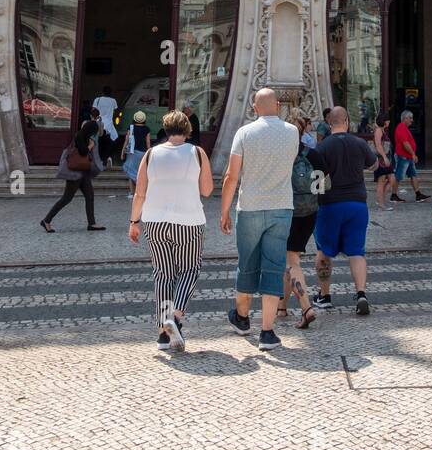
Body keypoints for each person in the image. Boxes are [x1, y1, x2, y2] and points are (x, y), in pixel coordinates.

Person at [220, 88, 300, 352]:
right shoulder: (292, 132)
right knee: (275, 267)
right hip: (281, 207)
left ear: (254, 108)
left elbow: (232, 176)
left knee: (247, 264)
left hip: (251, 207)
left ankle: (242, 319)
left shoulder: (244, 133)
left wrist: (224, 211)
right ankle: (267, 332)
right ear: (278, 105)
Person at [128, 110, 213, 352]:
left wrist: (134, 222)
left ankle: (163, 335)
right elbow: (207, 190)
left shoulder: (151, 154)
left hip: (155, 221)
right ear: (188, 130)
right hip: (189, 221)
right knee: (189, 270)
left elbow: (140, 193)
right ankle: (174, 317)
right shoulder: (197, 153)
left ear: (165, 130)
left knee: (163, 274)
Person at [310, 106, 376, 315]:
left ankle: (325, 295)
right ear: (347, 121)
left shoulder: (321, 148)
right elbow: (374, 166)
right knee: (357, 251)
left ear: (330, 123)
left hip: (330, 205)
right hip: (357, 204)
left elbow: (316, 184)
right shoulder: (359, 143)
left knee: (324, 252)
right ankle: (361, 294)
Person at [277, 114, 320, 330]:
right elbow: (321, 186)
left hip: (288, 210)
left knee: (292, 260)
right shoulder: (313, 154)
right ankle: (282, 307)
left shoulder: (281, 154)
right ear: (304, 130)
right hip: (310, 212)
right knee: (291, 256)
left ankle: (306, 307)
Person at [41, 120, 105, 232]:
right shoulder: (79, 136)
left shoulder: (85, 136)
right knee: (66, 198)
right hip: (75, 173)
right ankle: (46, 220)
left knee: (90, 196)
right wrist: (90, 146)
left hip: (83, 172)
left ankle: (92, 223)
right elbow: (83, 152)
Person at [391, 109, 429, 202]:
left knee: (413, 175)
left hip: (407, 157)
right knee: (398, 176)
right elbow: (405, 143)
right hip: (403, 156)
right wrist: (413, 154)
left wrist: (411, 155)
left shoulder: (404, 128)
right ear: (405, 118)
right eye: (410, 118)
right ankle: (393, 195)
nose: (412, 120)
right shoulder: (401, 127)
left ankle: (418, 194)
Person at [121, 110, 151, 199]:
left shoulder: (130, 128)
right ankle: (140, 191)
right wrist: (149, 154)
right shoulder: (147, 129)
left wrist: (122, 152)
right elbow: (148, 143)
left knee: (130, 172)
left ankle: (132, 192)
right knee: (140, 172)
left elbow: (126, 141)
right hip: (142, 153)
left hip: (132, 152)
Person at [372, 110, 394, 210]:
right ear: (384, 121)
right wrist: (384, 157)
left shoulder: (382, 130)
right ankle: (381, 204)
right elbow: (378, 145)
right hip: (381, 160)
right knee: (381, 181)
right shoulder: (378, 131)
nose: (389, 122)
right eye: (388, 121)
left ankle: (380, 200)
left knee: (392, 179)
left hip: (385, 159)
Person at [93, 87, 119, 167]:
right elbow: (116, 111)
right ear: (110, 92)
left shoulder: (97, 100)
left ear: (102, 92)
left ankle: (98, 159)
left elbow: (93, 110)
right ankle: (107, 157)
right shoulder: (113, 101)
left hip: (98, 123)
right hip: (109, 125)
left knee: (98, 142)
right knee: (111, 142)